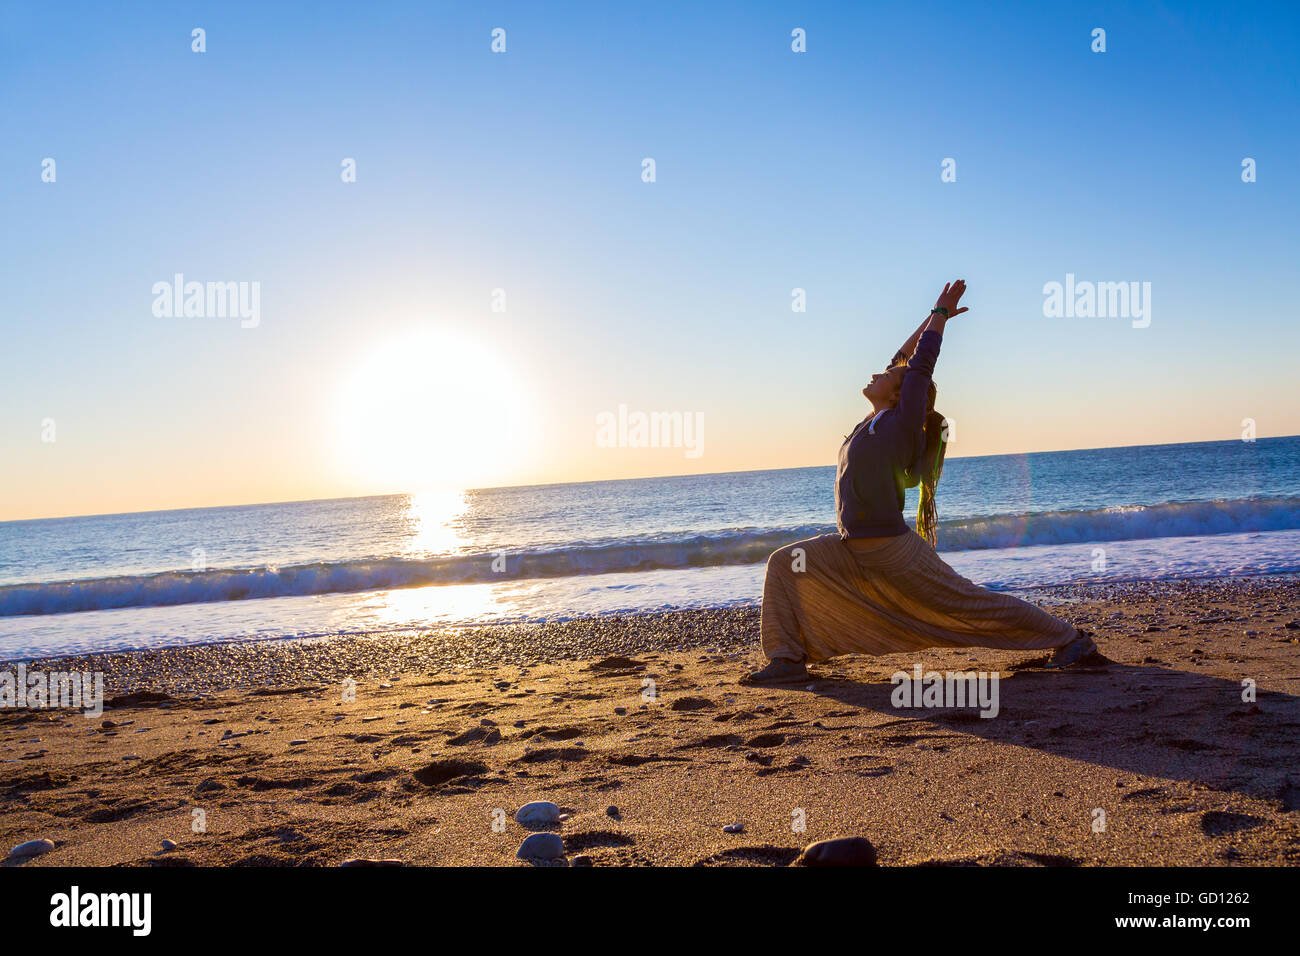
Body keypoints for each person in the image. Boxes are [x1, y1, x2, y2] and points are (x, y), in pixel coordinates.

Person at [745, 279, 1097, 684]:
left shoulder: (900, 423)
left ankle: (1070, 639)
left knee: (968, 603)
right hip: (850, 547)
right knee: (785, 563)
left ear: (899, 396)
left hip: (890, 550)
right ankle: (787, 659)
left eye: (886, 376)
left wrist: (943, 315)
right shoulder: (871, 421)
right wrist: (931, 316)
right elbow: (903, 358)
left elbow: (919, 365)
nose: (877, 372)